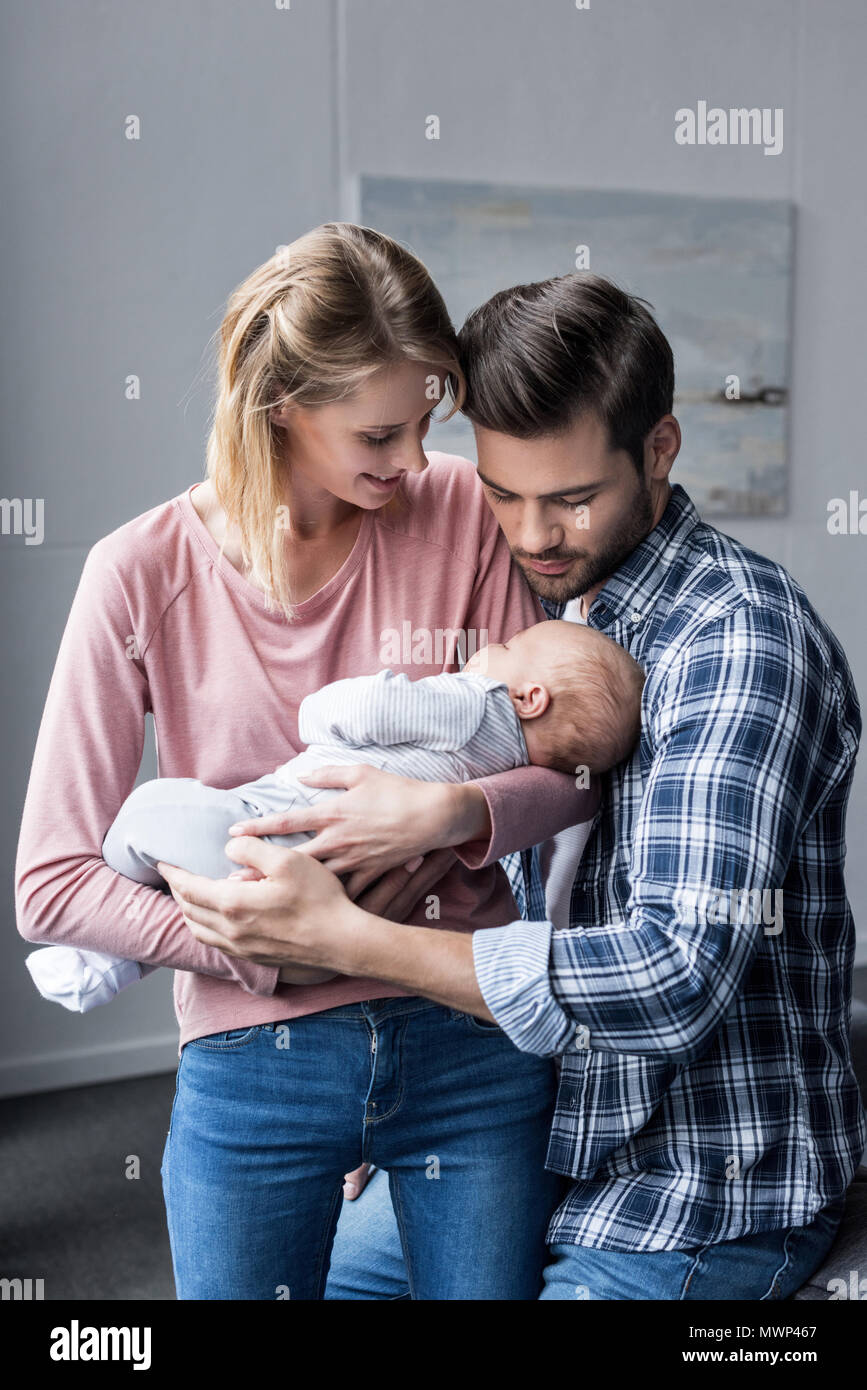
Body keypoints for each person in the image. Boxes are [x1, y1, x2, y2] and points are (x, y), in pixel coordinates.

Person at [158, 273, 865, 1301]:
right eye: (503, 492)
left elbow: (675, 971)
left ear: (660, 450)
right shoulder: (544, 616)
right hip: (526, 1134)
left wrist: (345, 943)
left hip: (700, 1193)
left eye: (573, 498)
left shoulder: (740, 637)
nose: (531, 535)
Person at [14, 225, 600, 1301]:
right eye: (380, 433)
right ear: (280, 403)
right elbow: (50, 884)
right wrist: (260, 942)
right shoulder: (137, 575)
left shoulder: (466, 512)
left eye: (426, 422)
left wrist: (442, 817)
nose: (415, 461)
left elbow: (564, 772)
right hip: (256, 1070)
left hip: (464, 1041)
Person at [25, 620, 644, 1012]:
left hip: (272, 826)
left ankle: (110, 955)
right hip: (336, 881)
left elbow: (375, 707)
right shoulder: (506, 763)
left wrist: (317, 713)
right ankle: (117, 959)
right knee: (200, 873)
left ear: (529, 696)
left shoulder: (477, 704)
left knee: (146, 811)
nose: (487, 649)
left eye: (507, 647)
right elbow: (573, 791)